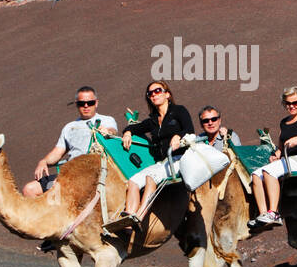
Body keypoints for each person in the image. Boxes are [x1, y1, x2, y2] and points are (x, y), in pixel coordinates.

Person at [116, 80, 194, 222]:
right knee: (133, 181)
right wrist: (127, 132)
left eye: (158, 90)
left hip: (180, 158)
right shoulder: (152, 120)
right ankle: (129, 218)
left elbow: (189, 129)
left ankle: (139, 216)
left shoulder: (178, 111)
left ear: (167, 94)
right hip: (163, 162)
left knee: (151, 177)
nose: (154, 94)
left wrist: (178, 135)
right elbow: (135, 128)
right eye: (150, 93)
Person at [24, 86, 119, 197]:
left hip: (94, 171)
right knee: (29, 189)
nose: (86, 106)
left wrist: (107, 132)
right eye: (81, 103)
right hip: (71, 172)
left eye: (90, 102)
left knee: (58, 186)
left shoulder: (106, 120)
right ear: (76, 104)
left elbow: (113, 131)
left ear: (96, 103)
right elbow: (57, 152)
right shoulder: (69, 128)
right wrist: (43, 161)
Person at [250, 86, 297, 225]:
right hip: (288, 159)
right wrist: (276, 155)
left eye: (295, 103)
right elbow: (281, 147)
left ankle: (274, 213)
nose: (291, 106)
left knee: (269, 171)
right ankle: (263, 214)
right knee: (255, 175)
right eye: (288, 103)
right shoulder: (284, 122)